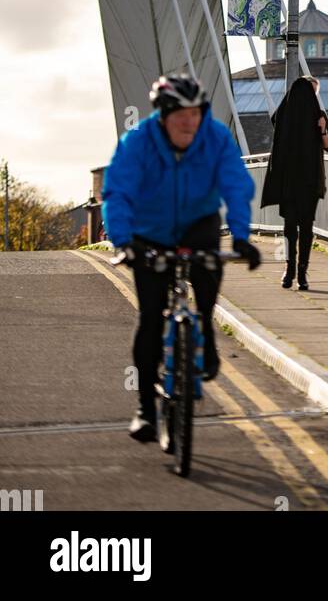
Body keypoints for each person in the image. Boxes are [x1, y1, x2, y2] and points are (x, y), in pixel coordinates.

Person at [101, 74, 261, 442]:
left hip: (198, 224)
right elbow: (118, 192)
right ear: (162, 115)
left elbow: (236, 185)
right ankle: (145, 407)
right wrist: (124, 242)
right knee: (151, 319)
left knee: (206, 279)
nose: (190, 121)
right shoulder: (138, 142)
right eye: (180, 114)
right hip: (148, 232)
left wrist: (240, 236)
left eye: (195, 112)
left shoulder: (216, 137)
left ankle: (204, 329)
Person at [262, 75, 328, 291]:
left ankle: (301, 270)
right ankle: (290, 268)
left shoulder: (319, 116)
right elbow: (276, 122)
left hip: (310, 179)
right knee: (290, 225)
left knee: (305, 226)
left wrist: (321, 129)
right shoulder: (286, 114)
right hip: (290, 178)